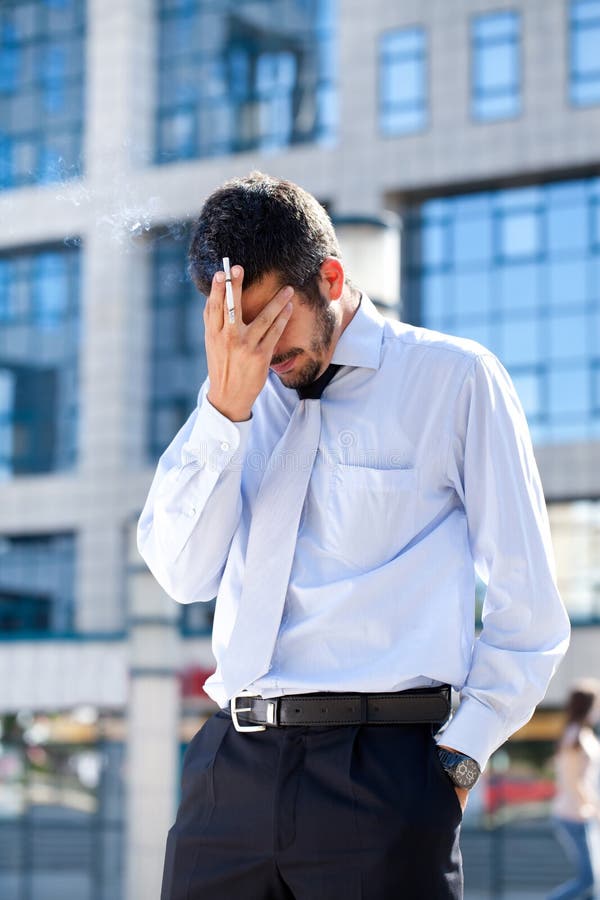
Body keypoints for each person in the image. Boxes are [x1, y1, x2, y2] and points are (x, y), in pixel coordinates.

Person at [137, 171, 571, 900]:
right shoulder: (237, 393)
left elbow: (528, 611)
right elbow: (182, 575)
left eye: (272, 323)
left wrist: (456, 765)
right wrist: (224, 414)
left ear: (329, 277)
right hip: (230, 775)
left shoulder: (454, 380)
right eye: (235, 327)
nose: (259, 350)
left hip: (384, 778)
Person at [548, 681, 600, 900]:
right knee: (590, 880)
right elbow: (573, 780)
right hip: (575, 815)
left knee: (594, 886)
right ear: (588, 705)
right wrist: (594, 808)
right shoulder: (574, 735)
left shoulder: (580, 735)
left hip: (583, 814)